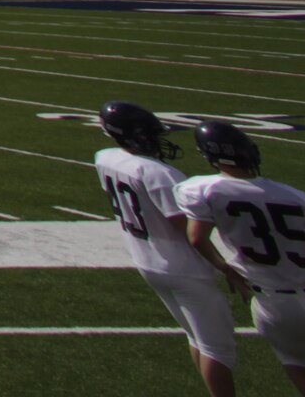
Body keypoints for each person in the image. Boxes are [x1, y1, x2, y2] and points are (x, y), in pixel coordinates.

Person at [179, 119, 305, 397]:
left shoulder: (203, 189)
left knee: (296, 364)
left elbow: (196, 237)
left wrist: (226, 269)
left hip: (274, 302)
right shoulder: (302, 198)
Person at [96, 100, 239, 397]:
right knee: (217, 347)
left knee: (197, 337)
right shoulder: (160, 174)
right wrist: (224, 265)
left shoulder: (105, 157)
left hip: (148, 260)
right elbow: (186, 229)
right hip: (183, 268)